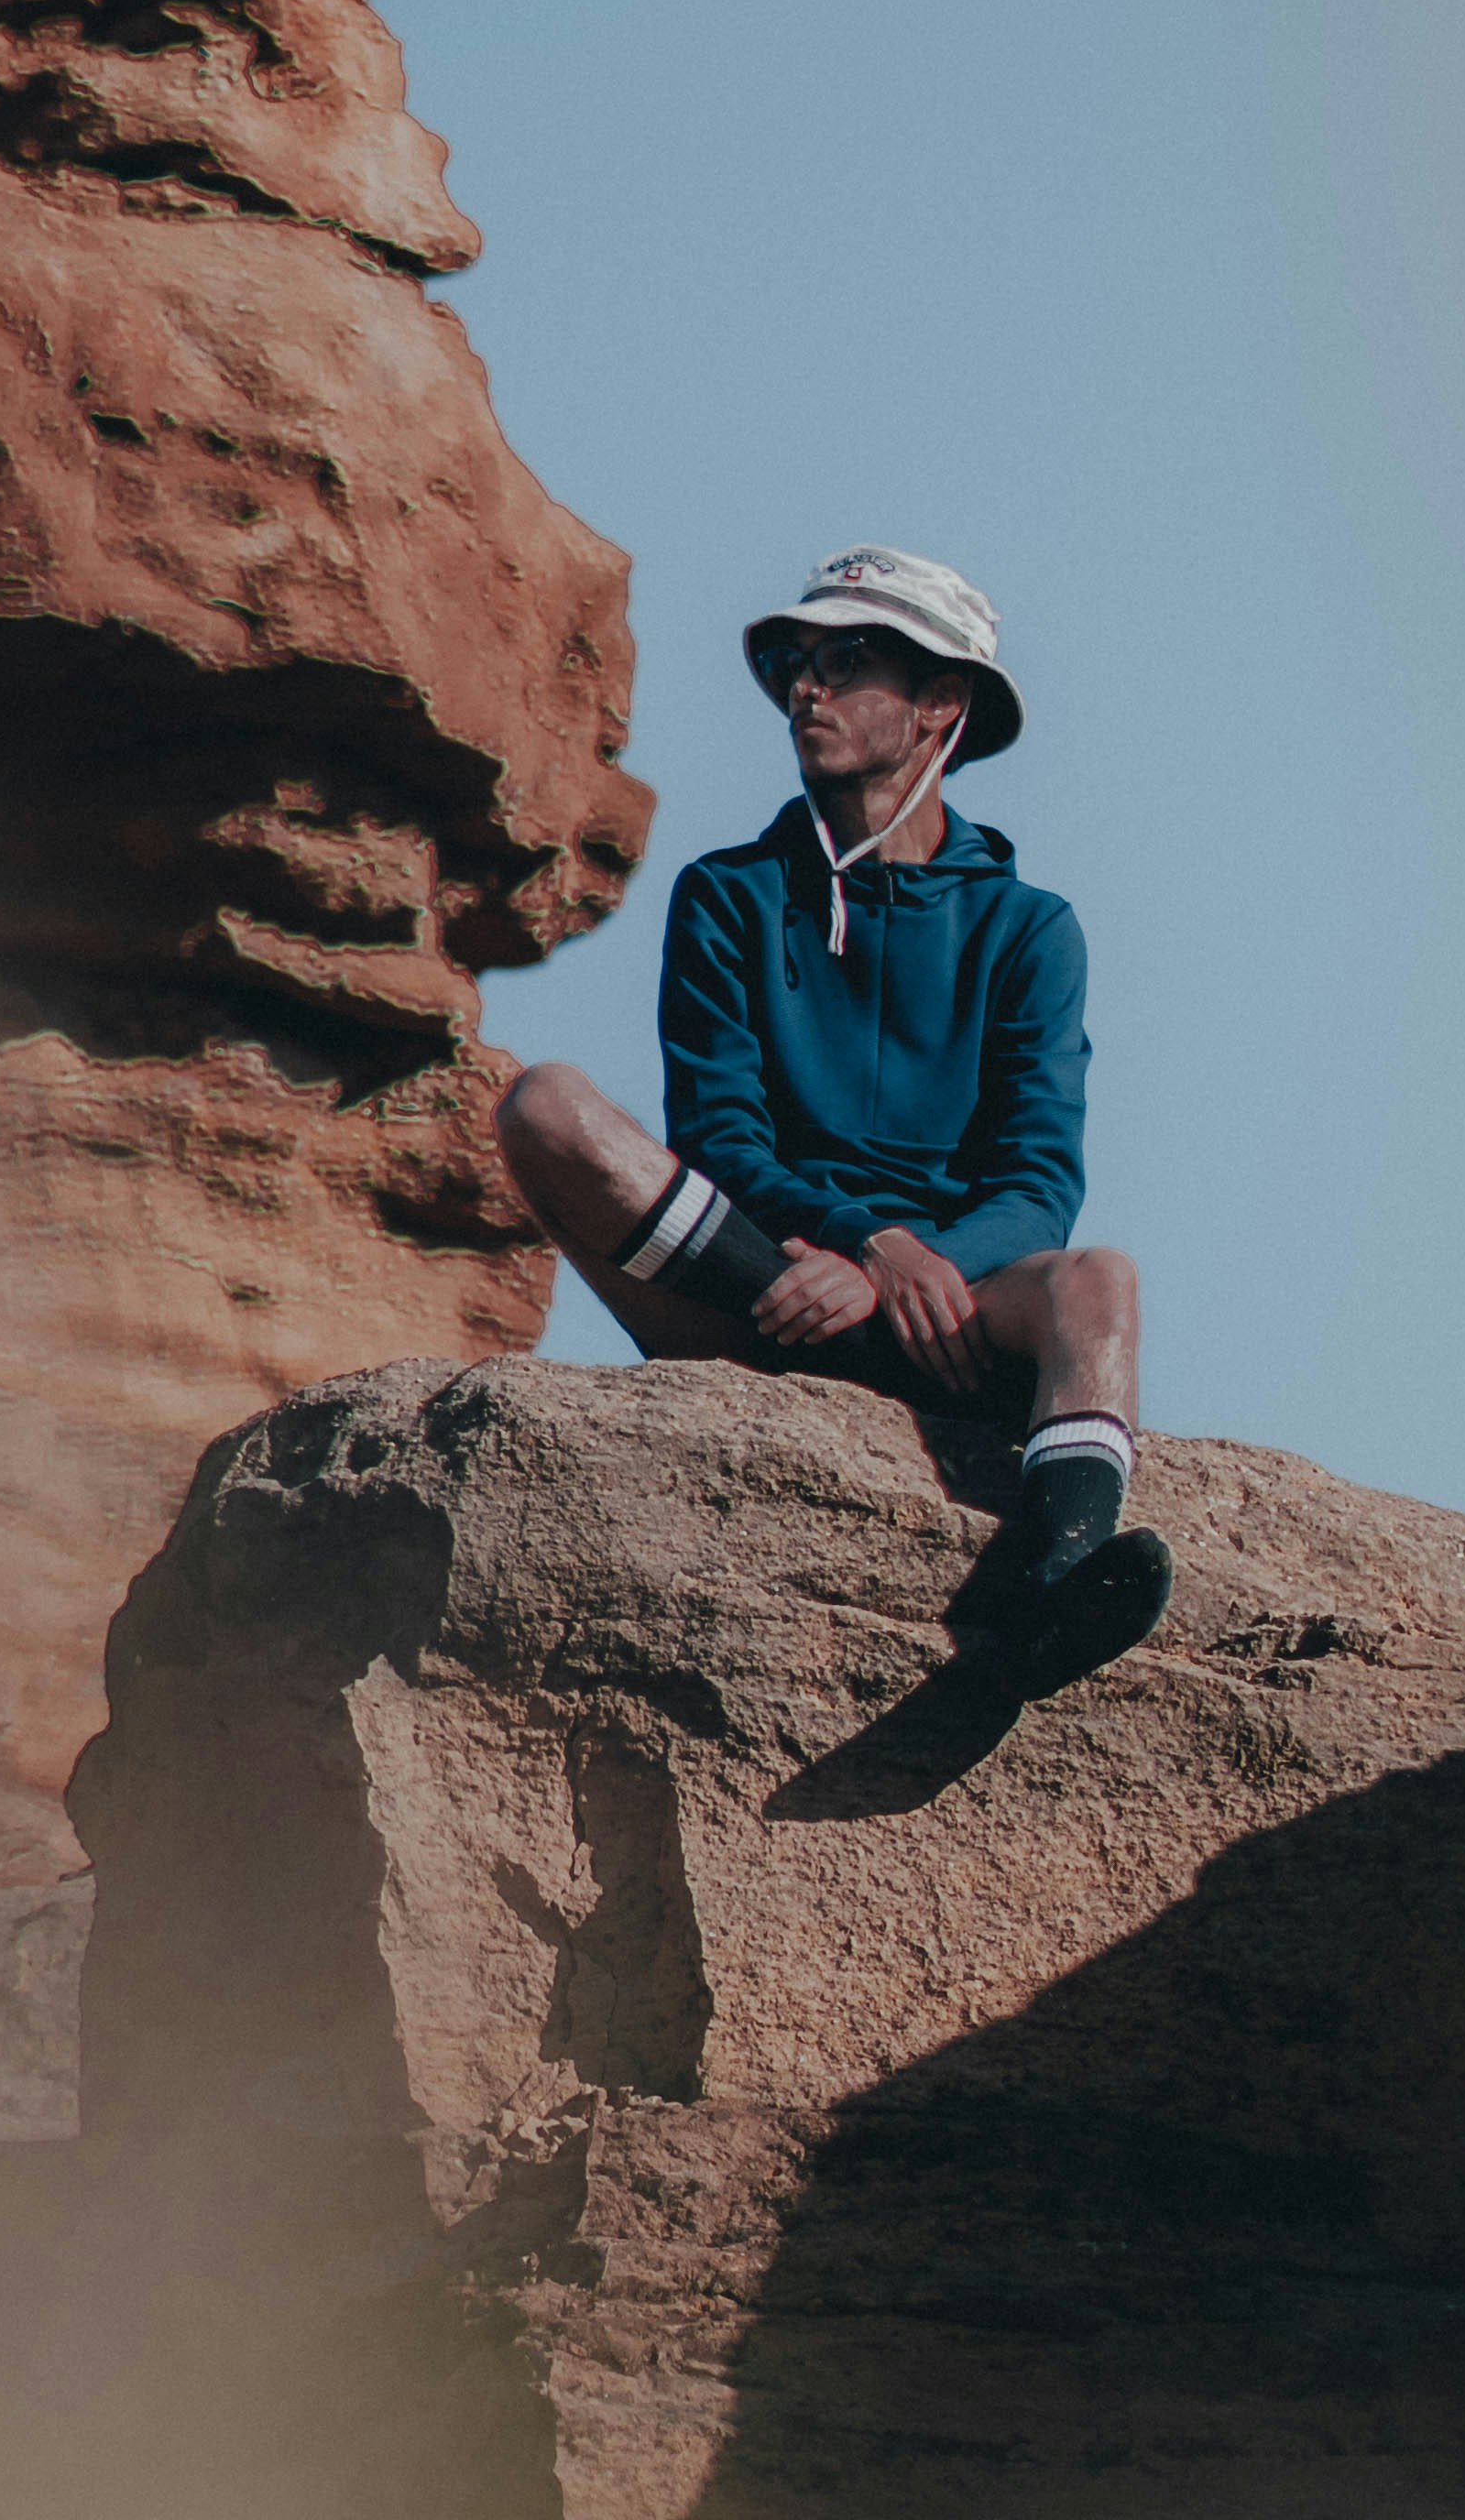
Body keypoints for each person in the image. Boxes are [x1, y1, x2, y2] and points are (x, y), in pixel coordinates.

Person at [496, 545, 1168, 1695]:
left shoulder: (1029, 928)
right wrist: (864, 1249)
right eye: (796, 663)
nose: (806, 688)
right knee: (545, 1108)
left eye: (847, 662)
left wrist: (918, 1267)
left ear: (939, 705)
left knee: (1095, 1278)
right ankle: (875, 1352)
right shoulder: (729, 893)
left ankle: (1057, 1584)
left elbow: (1038, 1184)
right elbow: (720, 1137)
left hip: (949, 1320)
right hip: (761, 1285)